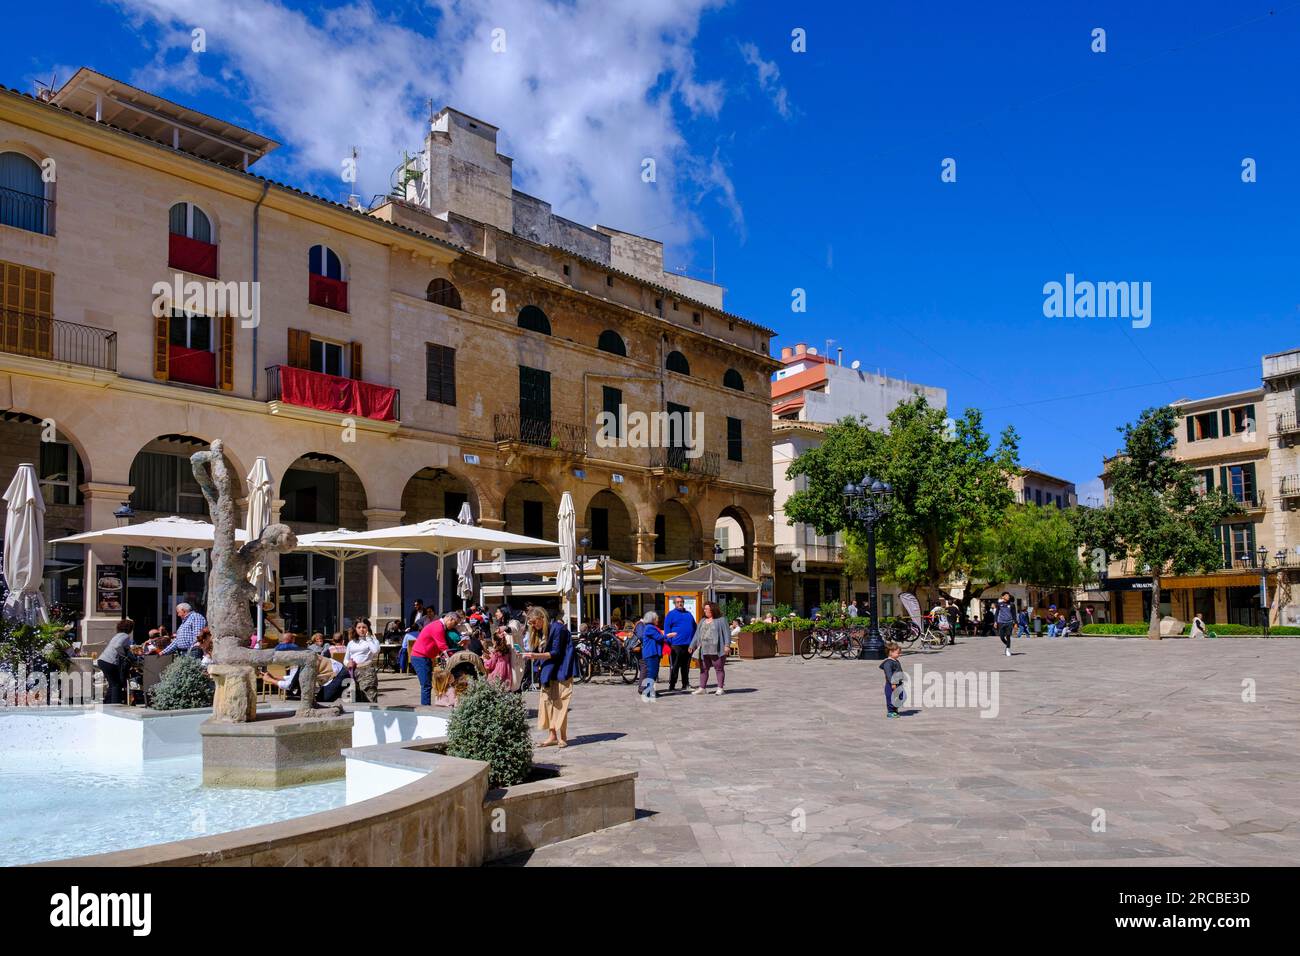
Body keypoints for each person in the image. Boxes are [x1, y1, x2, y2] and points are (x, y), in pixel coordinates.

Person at [522, 607, 575, 748]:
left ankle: (563, 737)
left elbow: (556, 652)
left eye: (534, 622)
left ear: (541, 618)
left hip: (561, 669)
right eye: (531, 623)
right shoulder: (538, 633)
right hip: (547, 670)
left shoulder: (558, 628)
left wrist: (535, 656)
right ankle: (552, 736)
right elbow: (538, 651)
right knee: (547, 702)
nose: (533, 625)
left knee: (561, 703)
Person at [410, 610, 463, 706]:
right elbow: (443, 646)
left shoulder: (440, 626)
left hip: (424, 657)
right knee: (426, 685)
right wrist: (454, 659)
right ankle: (425, 709)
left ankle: (426, 706)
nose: (454, 626)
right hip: (420, 657)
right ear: (450, 619)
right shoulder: (438, 627)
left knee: (428, 684)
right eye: (454, 623)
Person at [272, 654, 349, 703]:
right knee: (320, 700)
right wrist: (274, 677)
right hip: (337, 671)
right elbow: (295, 677)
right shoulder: (298, 658)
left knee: (323, 700)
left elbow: (290, 685)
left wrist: (270, 680)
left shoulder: (296, 663)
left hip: (339, 674)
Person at [690, 602, 729, 696]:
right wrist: (692, 645)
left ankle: (720, 688)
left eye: (706, 609)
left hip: (717, 649)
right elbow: (697, 634)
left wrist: (727, 645)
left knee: (719, 668)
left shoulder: (721, 620)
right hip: (703, 650)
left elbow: (727, 633)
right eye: (704, 609)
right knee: (703, 669)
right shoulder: (702, 620)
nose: (705, 610)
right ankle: (702, 688)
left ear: (713, 609)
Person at [98, 619, 136, 704]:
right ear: (129, 628)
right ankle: (115, 705)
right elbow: (118, 646)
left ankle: (107, 703)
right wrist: (124, 656)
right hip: (110, 662)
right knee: (116, 684)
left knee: (112, 684)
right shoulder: (125, 636)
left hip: (102, 660)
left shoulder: (118, 635)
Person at [663, 596, 696, 692]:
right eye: (677, 602)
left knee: (686, 666)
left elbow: (694, 627)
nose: (680, 604)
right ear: (674, 603)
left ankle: (685, 684)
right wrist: (669, 643)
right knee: (675, 666)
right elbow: (667, 629)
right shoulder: (671, 614)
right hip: (675, 645)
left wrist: (694, 642)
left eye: (681, 602)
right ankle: (672, 685)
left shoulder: (689, 614)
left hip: (688, 645)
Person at [345, 620, 381, 704]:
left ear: (368, 628)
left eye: (364, 627)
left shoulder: (373, 641)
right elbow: (346, 658)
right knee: (356, 700)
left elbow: (375, 651)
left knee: (369, 698)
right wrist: (347, 663)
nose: (361, 630)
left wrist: (368, 638)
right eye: (359, 627)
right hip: (354, 672)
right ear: (355, 629)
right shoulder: (351, 642)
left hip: (367, 671)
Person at [638, 611, 665, 702]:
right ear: (652, 619)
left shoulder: (651, 627)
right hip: (651, 653)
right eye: (656, 618)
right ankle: (647, 692)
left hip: (653, 653)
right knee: (651, 674)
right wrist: (668, 635)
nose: (658, 620)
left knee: (653, 673)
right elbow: (660, 638)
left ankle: (650, 690)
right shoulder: (650, 628)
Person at [880, 641, 904, 718]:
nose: (899, 654)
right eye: (897, 653)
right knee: (891, 697)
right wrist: (893, 683)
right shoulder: (888, 663)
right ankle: (890, 711)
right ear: (890, 652)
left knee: (899, 697)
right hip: (891, 684)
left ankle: (895, 709)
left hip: (898, 683)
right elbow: (889, 674)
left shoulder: (895, 661)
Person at [993, 592, 1016, 657]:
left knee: (1008, 635)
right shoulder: (999, 604)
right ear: (1003, 597)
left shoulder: (1012, 605)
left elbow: (1014, 614)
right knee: (1002, 637)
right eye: (1006, 596)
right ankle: (1007, 644)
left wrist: (1015, 623)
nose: (1008, 597)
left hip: (1009, 622)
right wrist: (995, 621)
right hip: (1001, 622)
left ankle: (1008, 649)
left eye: (1008, 596)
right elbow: (996, 613)